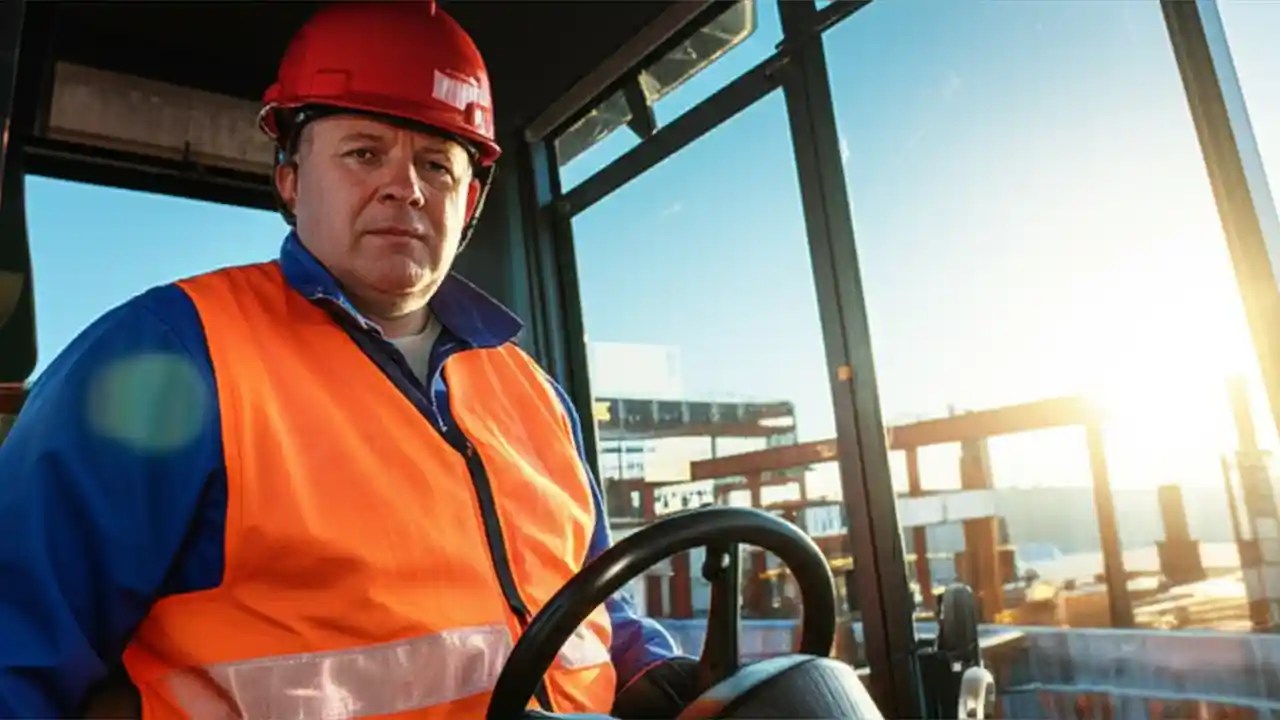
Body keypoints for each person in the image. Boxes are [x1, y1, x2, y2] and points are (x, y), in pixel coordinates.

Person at [0, 2, 702, 717]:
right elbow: (14, 649)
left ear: (471, 205)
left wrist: (649, 669)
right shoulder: (170, 355)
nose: (408, 186)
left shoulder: (535, 394)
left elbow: (588, 599)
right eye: (365, 153)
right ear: (291, 178)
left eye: (437, 163)